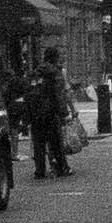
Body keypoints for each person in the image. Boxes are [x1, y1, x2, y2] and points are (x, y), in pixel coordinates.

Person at [29, 45, 75, 179]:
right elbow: (59, 94)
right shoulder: (55, 72)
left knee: (39, 143)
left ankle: (39, 170)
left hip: (36, 112)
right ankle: (62, 167)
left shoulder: (36, 72)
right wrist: (63, 112)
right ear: (55, 57)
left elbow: (29, 93)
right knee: (56, 142)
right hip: (51, 111)